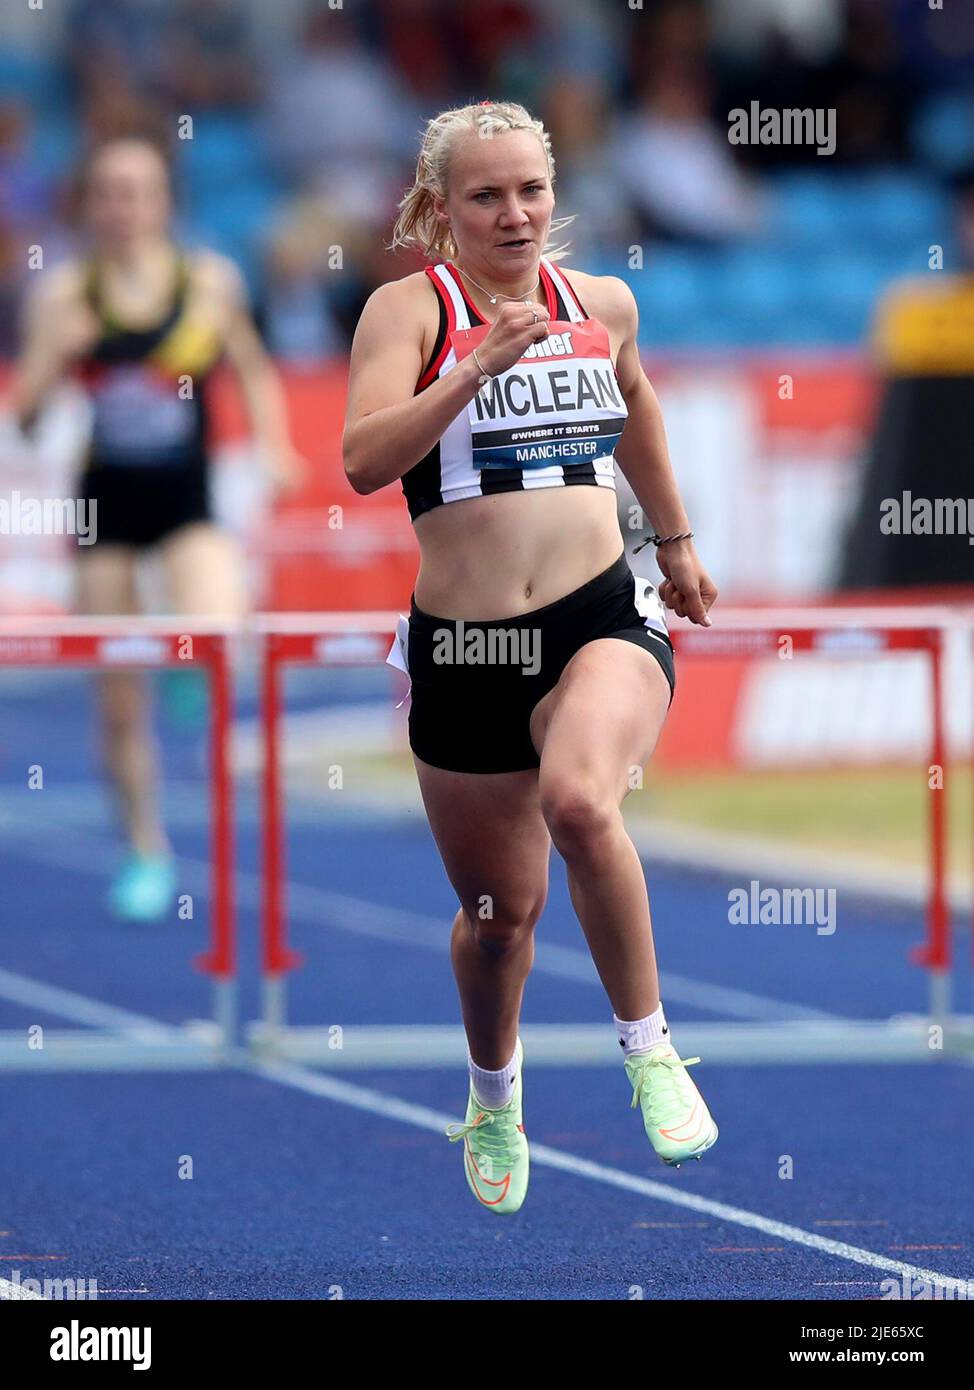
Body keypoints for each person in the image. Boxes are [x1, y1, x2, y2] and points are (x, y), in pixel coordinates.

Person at [343, 101, 719, 1214]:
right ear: (439, 208)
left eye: (531, 192)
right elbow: (363, 461)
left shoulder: (598, 303)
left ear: (555, 197)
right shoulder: (408, 311)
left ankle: (648, 1048)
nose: (513, 214)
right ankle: (494, 1092)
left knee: (581, 804)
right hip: (462, 649)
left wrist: (679, 542)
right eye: (485, 195)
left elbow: (636, 398)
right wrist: (470, 370)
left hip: (598, 615)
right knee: (499, 920)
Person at [8, 132, 303, 921]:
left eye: (136, 192)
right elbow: (30, 421)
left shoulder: (206, 281)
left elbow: (248, 365)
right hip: (105, 504)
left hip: (185, 496)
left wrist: (273, 444)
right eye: (106, 193)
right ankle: (144, 848)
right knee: (116, 698)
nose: (121, 209)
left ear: (163, 203)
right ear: (89, 205)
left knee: (216, 632)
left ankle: (185, 661)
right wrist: (49, 364)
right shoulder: (64, 294)